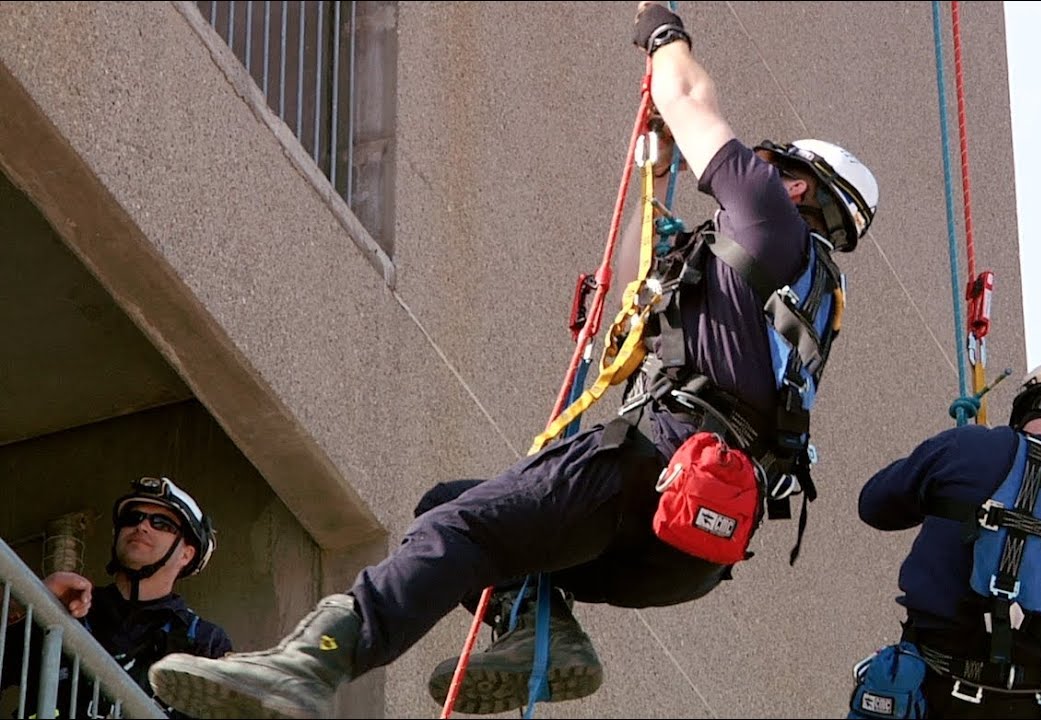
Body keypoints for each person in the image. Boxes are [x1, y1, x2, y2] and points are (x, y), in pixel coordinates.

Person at [147, 3, 880, 718]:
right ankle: (548, 633)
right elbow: (629, 299)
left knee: (457, 532)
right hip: (697, 549)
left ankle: (311, 664)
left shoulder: (766, 217)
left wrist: (661, 33)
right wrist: (654, 170)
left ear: (795, 185)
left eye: (769, 164)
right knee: (456, 505)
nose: (752, 165)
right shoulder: (798, 298)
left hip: (655, 467)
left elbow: (687, 92)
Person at [847, 362, 1041, 719]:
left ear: (1022, 414)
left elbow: (874, 505)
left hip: (927, 693)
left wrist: (949, 471)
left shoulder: (973, 447)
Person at [2, 476, 232, 718]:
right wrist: (28, 605)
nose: (142, 526)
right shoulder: (69, 607)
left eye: (161, 523)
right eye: (132, 519)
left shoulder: (203, 642)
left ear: (186, 554)